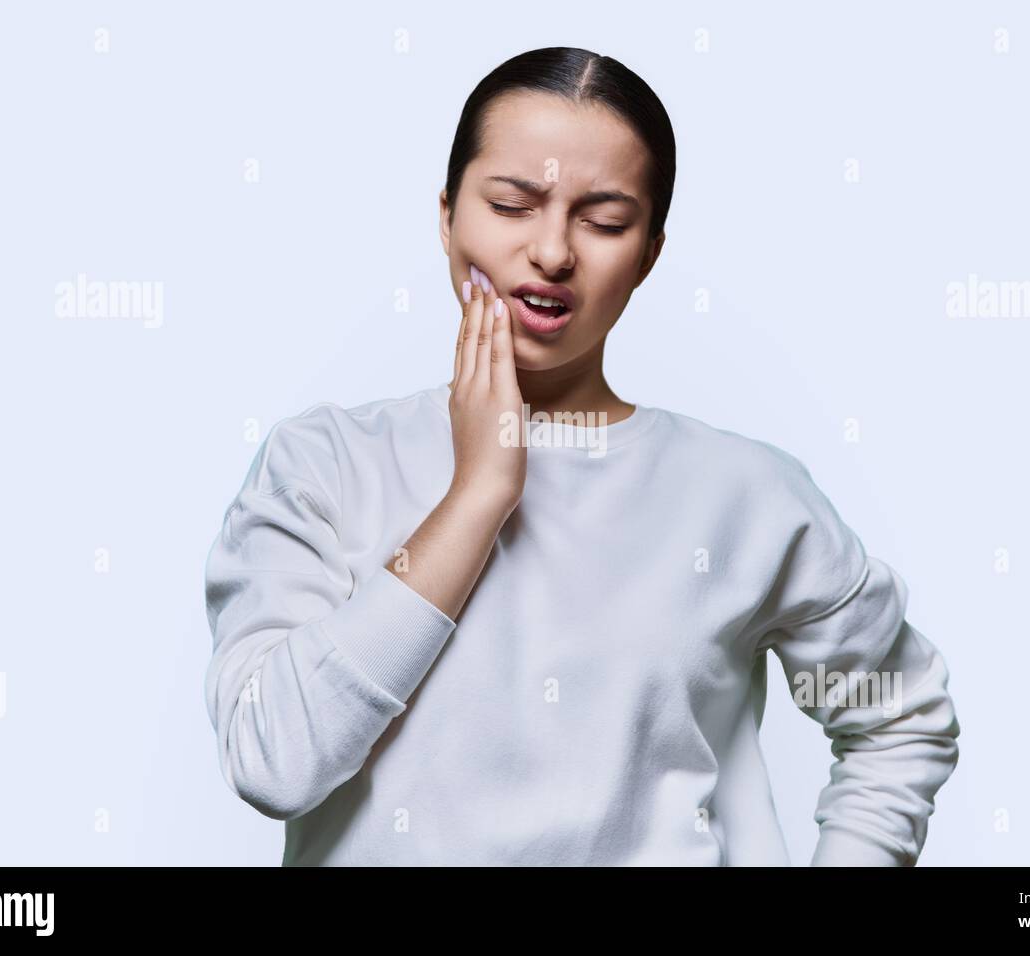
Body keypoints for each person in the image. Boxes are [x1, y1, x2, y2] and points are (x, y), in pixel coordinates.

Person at [203, 46, 960, 866]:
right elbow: (273, 761)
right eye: (512, 203)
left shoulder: (745, 496)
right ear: (449, 212)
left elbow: (899, 715)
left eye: (602, 220)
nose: (554, 252)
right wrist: (479, 493)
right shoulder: (325, 465)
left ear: (649, 254)